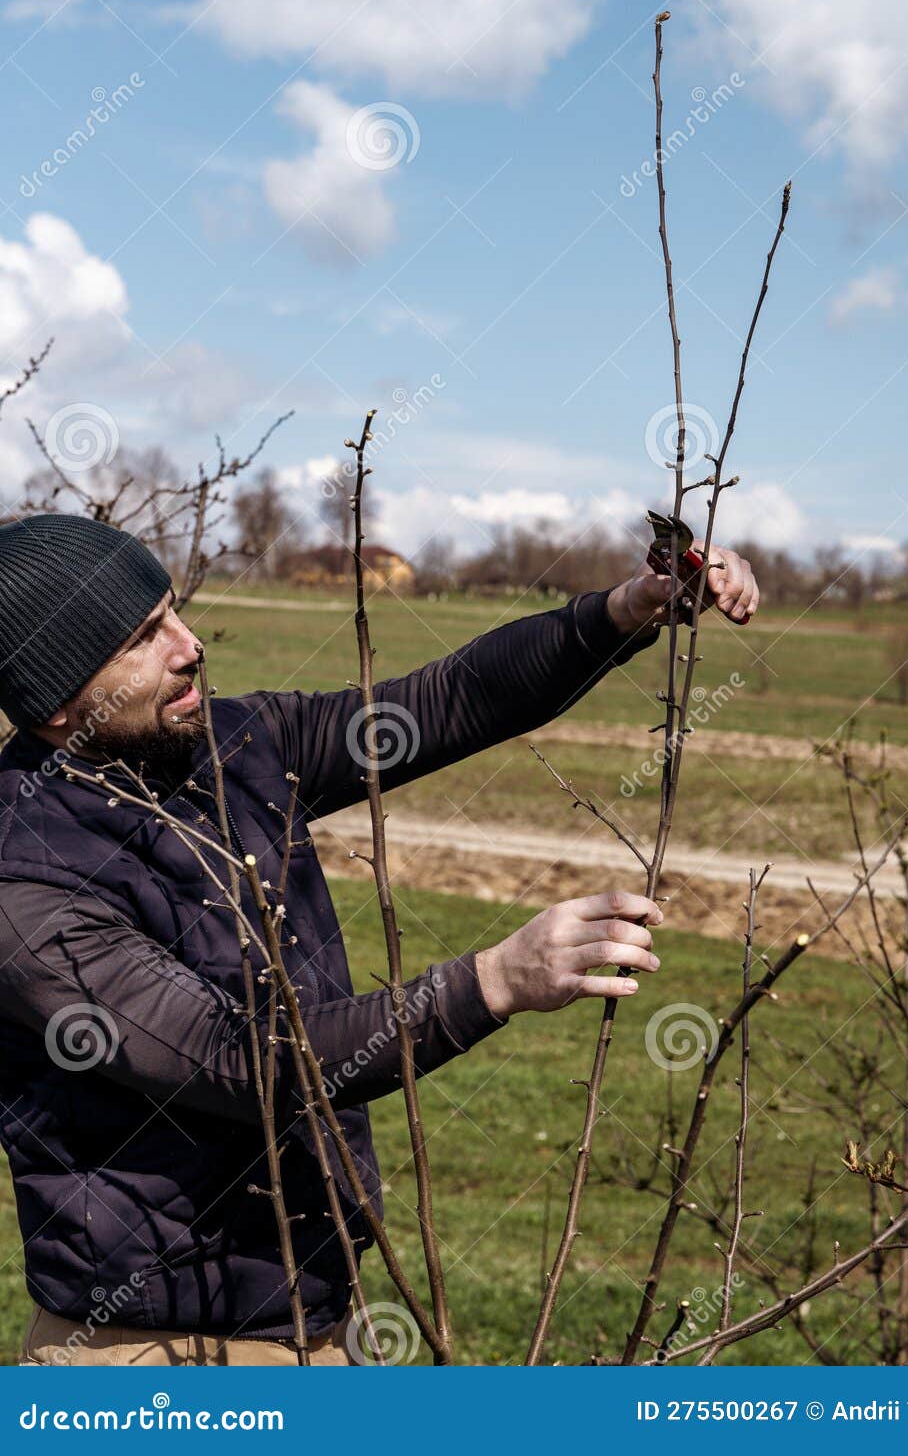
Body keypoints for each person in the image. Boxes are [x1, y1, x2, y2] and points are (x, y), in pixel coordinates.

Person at [0, 512, 758, 1365]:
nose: (189, 645)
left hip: (317, 1311)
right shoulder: (24, 886)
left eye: (174, 611)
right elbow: (242, 1062)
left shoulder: (242, 747)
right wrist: (493, 981)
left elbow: (451, 700)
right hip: (154, 1350)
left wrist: (627, 608)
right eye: (144, 637)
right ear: (61, 701)